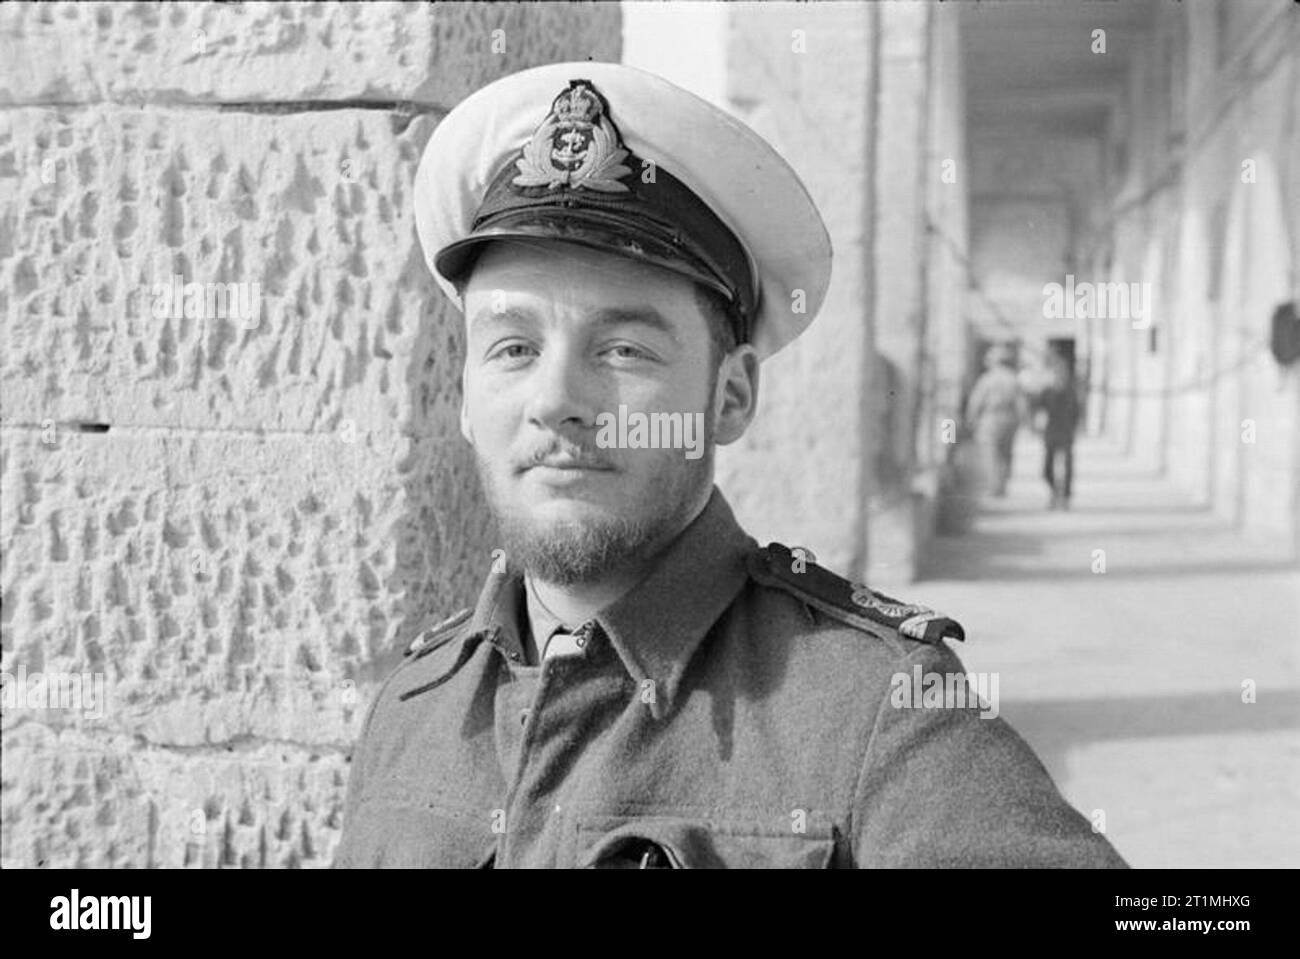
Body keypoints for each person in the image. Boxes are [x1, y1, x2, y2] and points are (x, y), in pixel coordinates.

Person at [334, 62, 1126, 868]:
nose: (556, 399)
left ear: (731, 395)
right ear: (465, 397)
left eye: (623, 349)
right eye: (513, 347)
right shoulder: (413, 706)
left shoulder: (872, 709)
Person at [964, 343, 1024, 497]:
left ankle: (994, 487)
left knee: (990, 453)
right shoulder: (1013, 378)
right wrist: (1022, 421)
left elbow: (976, 401)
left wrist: (970, 419)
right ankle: (1002, 485)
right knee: (1006, 453)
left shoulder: (987, 379)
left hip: (991, 418)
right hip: (1009, 418)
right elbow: (1021, 403)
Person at [1036, 352, 1081, 509]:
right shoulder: (1046, 392)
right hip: (1050, 433)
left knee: (1067, 466)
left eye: (1061, 372)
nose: (1058, 375)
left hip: (1066, 433)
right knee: (1046, 469)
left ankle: (1065, 497)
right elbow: (1037, 410)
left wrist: (1076, 429)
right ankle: (1055, 492)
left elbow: (1077, 412)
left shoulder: (1071, 392)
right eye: (1056, 372)